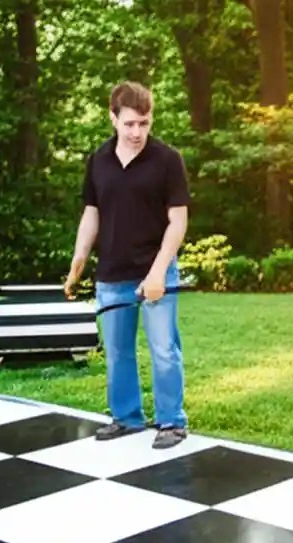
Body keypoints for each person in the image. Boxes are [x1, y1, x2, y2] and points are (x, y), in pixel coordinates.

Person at [65, 81, 191, 450]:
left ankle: (172, 422)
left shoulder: (167, 160)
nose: (137, 132)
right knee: (118, 351)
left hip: (157, 271)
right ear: (113, 118)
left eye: (145, 124)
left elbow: (178, 221)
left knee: (164, 349)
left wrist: (157, 272)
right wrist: (78, 260)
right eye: (130, 124)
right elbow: (92, 213)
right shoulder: (99, 160)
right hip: (112, 274)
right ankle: (127, 418)